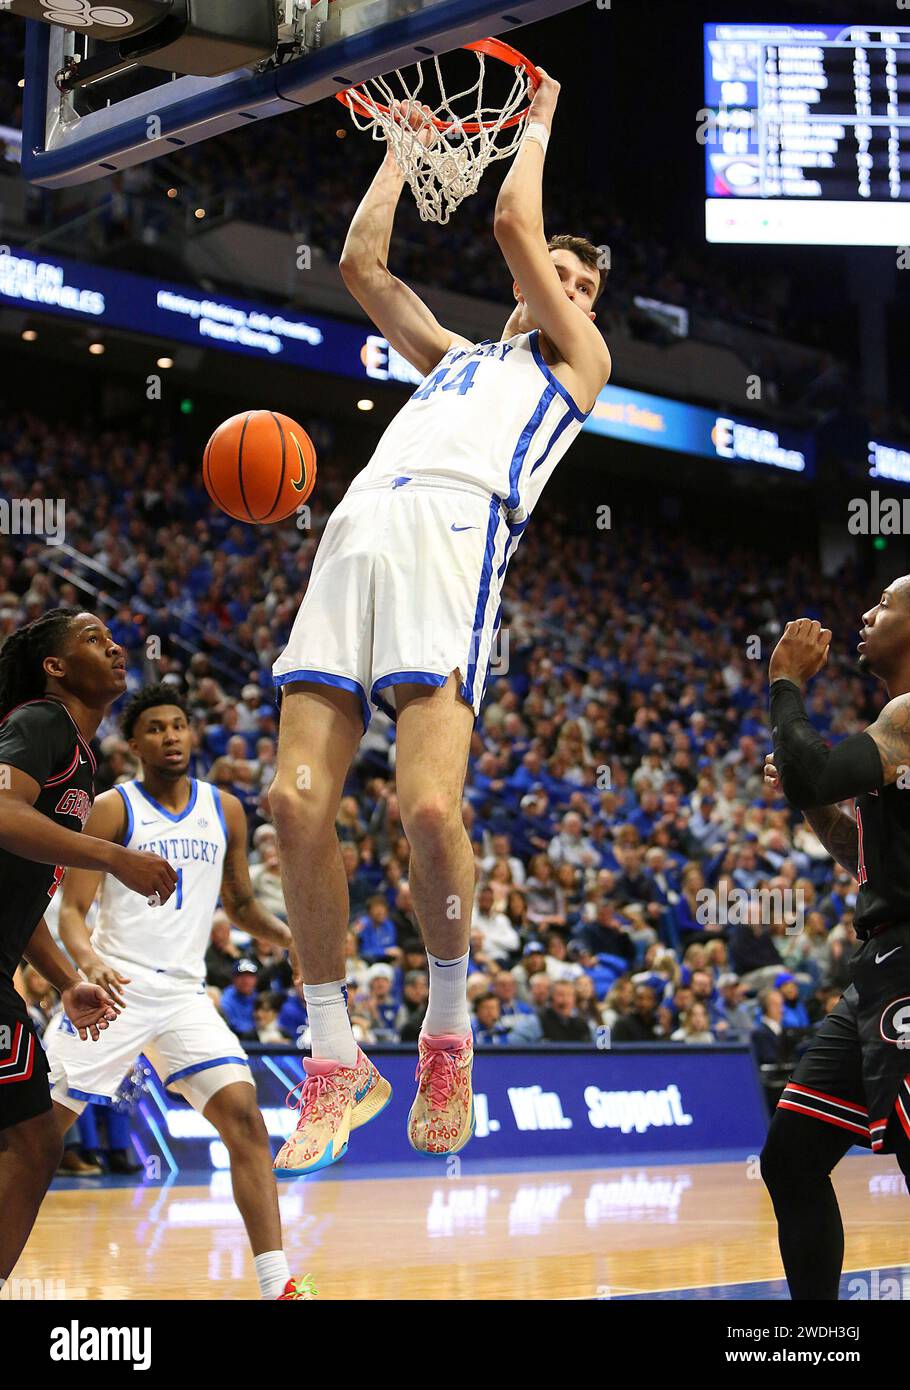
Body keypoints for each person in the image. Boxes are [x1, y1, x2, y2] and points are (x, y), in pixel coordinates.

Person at [266, 71, 612, 1173]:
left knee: (424, 810)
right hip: (359, 528)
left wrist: (541, 117)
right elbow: (364, 267)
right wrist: (402, 150)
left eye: (578, 281)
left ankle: (448, 1028)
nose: (558, 283)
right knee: (290, 800)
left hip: (452, 543)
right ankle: (334, 1058)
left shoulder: (579, 370)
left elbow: (514, 218)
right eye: (555, 275)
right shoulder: (459, 364)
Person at [42, 683, 312, 1301]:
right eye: (156, 728)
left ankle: (278, 1285)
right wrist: (85, 965)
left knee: (244, 1119)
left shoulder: (227, 809)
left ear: (193, 734)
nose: (170, 736)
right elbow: (74, 911)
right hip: (115, 986)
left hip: (186, 996)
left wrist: (290, 939)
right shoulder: (111, 809)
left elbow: (240, 904)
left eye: (180, 725)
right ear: (133, 743)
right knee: (35, 1135)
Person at [0, 610, 176, 1290]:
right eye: (93, 639)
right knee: (33, 1141)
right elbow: (3, 816)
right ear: (55, 666)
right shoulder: (41, 723)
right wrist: (115, 859)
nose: (115, 646)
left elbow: (16, 893)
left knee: (31, 1140)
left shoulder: (78, 755)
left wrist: (65, 979)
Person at [760, 596, 910, 1301]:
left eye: (887, 603)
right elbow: (862, 852)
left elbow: (816, 769)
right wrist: (814, 803)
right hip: (878, 971)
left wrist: (784, 682)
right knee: (791, 1156)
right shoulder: (893, 730)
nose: (868, 613)